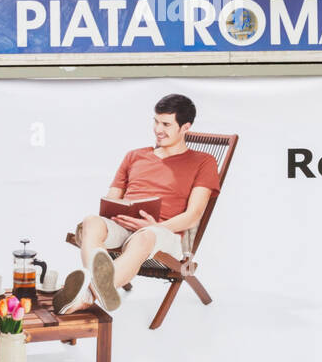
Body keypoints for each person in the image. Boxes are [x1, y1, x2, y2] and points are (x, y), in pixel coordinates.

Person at [54, 94, 221, 316]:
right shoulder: (134, 156)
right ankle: (100, 288)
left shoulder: (203, 161)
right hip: (124, 226)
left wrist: (155, 227)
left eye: (166, 124)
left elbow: (193, 215)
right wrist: (119, 210)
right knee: (90, 222)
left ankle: (88, 294)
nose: (158, 129)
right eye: (156, 121)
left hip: (162, 233)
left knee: (145, 236)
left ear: (185, 127)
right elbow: (112, 198)